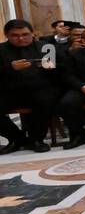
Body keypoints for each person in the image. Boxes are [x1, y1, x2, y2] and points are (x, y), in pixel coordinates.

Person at [0, 19, 58, 153]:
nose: (21, 38)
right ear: (6, 35)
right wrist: (10, 67)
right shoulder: (1, 50)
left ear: (32, 33)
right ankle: (16, 138)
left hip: (40, 89)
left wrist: (51, 68)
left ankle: (36, 139)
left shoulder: (45, 47)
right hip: (9, 91)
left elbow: (61, 69)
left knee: (44, 101)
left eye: (25, 34)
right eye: (15, 35)